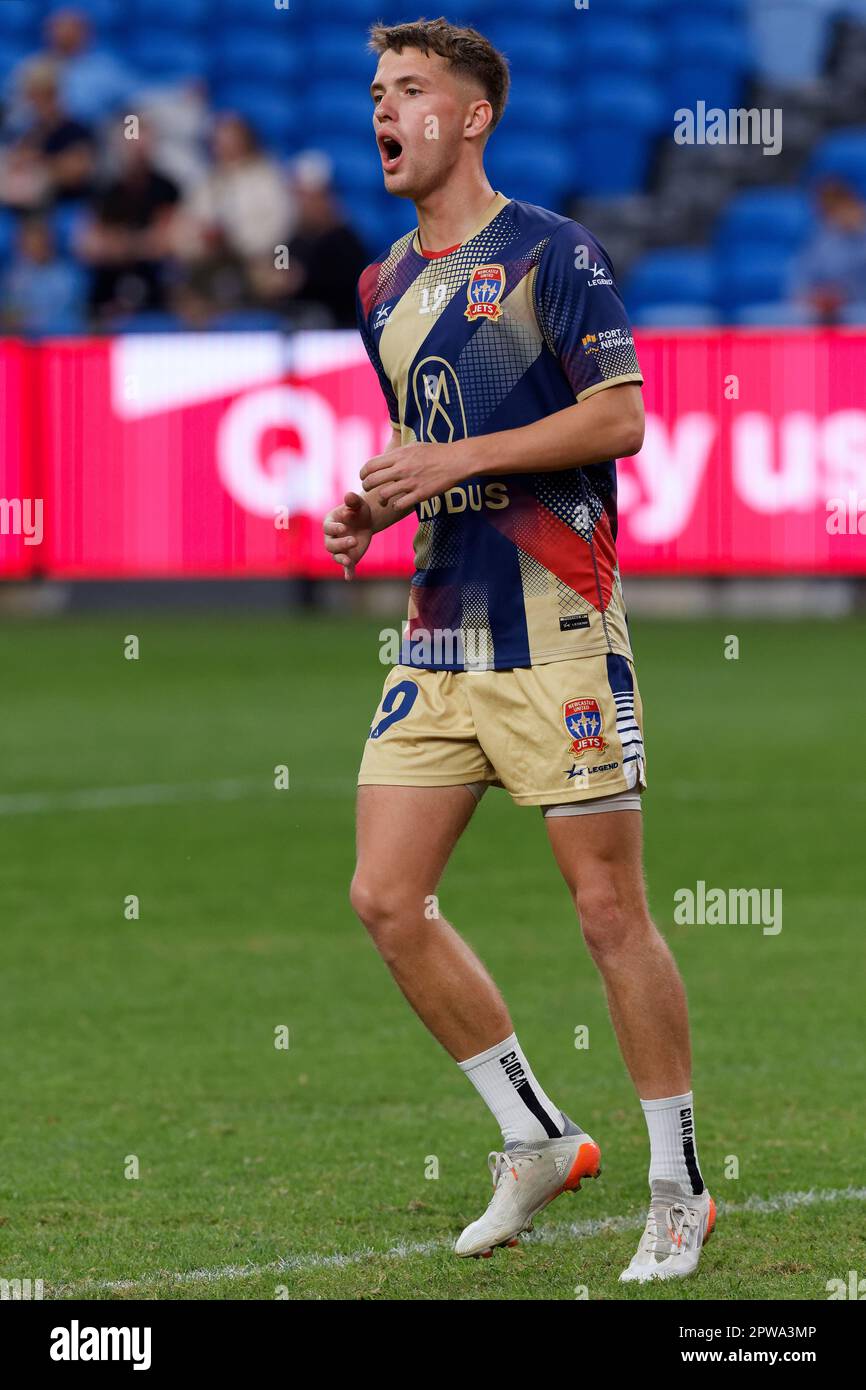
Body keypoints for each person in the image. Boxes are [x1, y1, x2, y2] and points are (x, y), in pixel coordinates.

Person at [322, 17, 715, 1283]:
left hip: (554, 624)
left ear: (471, 114)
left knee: (607, 910)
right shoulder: (381, 287)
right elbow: (431, 442)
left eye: (411, 91)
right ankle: (535, 1135)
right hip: (437, 630)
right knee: (386, 898)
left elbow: (620, 417)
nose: (386, 111)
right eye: (376, 92)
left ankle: (676, 1184)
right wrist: (378, 501)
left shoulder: (555, 253)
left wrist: (452, 460)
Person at [78, 120, 180, 323]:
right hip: (108, 285)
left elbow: (166, 243)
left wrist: (120, 243)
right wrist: (139, 243)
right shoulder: (106, 190)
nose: (136, 153)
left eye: (142, 145)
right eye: (131, 146)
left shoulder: (166, 188)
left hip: (156, 283)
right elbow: (90, 246)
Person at [788, 178, 866, 323]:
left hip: (859, 307)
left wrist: (857, 232)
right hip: (825, 310)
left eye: (840, 205)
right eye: (828, 210)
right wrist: (813, 297)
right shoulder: (823, 234)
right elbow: (800, 277)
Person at [1, 215, 85, 334]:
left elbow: (71, 317)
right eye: (30, 242)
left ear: (49, 242)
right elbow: (9, 312)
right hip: (21, 340)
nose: (35, 246)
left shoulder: (69, 275)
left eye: (39, 241)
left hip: (59, 339)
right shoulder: (13, 274)